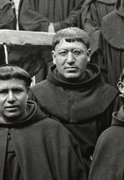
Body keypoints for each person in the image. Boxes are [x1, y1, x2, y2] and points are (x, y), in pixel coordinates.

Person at [30, 26, 117, 159]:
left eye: (77, 52)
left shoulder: (109, 96)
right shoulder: (36, 95)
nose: (70, 60)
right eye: (63, 53)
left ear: (88, 55)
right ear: (54, 57)